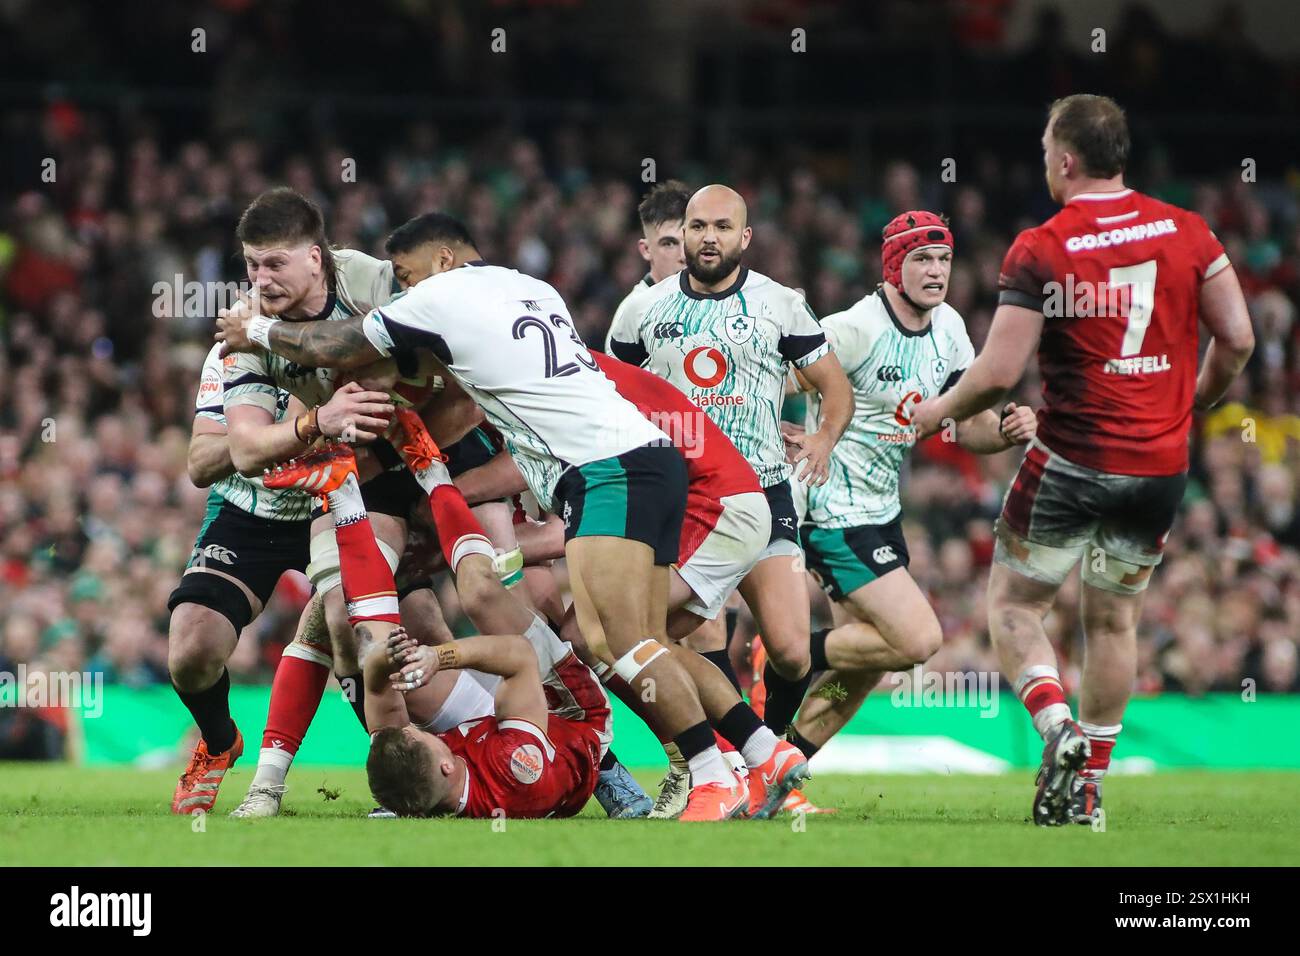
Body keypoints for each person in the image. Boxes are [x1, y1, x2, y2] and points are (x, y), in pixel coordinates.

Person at [217, 213, 749, 820]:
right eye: (252, 266)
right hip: (417, 467)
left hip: (503, 460)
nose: (260, 277)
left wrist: (429, 472)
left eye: (273, 262)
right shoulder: (529, 288)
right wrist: (322, 427)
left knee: (539, 610)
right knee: (358, 622)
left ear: (316, 258)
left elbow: (370, 356)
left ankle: (690, 765)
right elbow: (219, 453)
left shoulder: (380, 282)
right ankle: (747, 754)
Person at [911, 94, 1254, 825]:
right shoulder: (1190, 231)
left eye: (1044, 152)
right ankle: (1089, 786)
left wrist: (940, 413)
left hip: (1073, 460)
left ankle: (1054, 726)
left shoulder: (1042, 245)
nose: (1043, 164)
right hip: (1159, 469)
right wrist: (1191, 404)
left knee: (1013, 604)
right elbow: (1242, 340)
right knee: (1113, 622)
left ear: (1066, 158)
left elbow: (1000, 373)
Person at [607, 183, 855, 748]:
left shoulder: (780, 303)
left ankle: (770, 744)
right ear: (685, 234)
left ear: (744, 237)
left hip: (764, 496)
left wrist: (823, 438)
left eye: (722, 227)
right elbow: (609, 392)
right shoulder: (640, 311)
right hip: (682, 499)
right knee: (670, 641)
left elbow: (834, 387)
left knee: (792, 653)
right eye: (698, 227)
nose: (708, 238)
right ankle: (727, 765)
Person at [783, 211, 1036, 761]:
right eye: (922, 258)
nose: (937, 270)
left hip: (880, 511)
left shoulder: (948, 330)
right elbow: (767, 379)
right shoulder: (854, 329)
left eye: (944, 259)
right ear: (895, 265)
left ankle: (777, 771)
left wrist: (1005, 430)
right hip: (829, 508)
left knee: (867, 663)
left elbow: (965, 424)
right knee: (917, 639)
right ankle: (783, 652)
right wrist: (781, 434)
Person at [263, 441, 609, 819]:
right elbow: (518, 657)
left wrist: (383, 660)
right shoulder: (517, 767)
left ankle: (342, 492)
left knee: (381, 659)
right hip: (568, 711)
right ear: (447, 763)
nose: (421, 730)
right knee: (478, 594)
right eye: (423, 735)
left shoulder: (435, 786)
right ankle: (433, 471)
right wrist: (437, 657)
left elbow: (379, 690)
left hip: (494, 727)